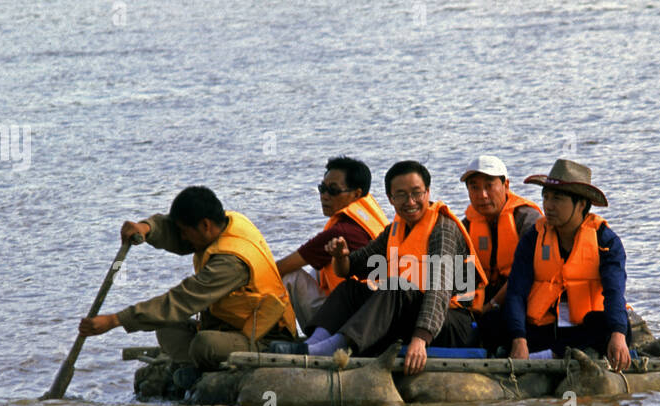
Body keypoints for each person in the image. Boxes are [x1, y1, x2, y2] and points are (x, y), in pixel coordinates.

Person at [284, 160, 487, 374]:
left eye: (417, 193)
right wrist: (341, 256)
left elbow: (439, 290)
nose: (410, 201)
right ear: (390, 199)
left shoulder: (443, 230)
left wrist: (420, 340)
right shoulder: (394, 229)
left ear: (427, 192)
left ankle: (336, 348)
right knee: (352, 289)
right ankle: (315, 343)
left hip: (453, 323)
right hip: (415, 315)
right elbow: (351, 267)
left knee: (395, 288)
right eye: (400, 195)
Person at [78, 185, 296, 377]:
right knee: (166, 328)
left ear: (205, 225)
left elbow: (182, 300)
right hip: (226, 327)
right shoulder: (224, 222)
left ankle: (204, 367)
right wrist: (146, 228)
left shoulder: (230, 264)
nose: (182, 238)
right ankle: (199, 367)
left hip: (263, 336)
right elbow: (173, 232)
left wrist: (116, 320)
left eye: (185, 232)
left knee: (205, 344)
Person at [500, 159, 632, 371]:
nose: (548, 206)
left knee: (610, 326)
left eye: (557, 199)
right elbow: (516, 291)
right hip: (545, 326)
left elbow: (614, 291)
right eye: (546, 197)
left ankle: (548, 355)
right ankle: (536, 350)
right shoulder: (534, 237)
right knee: (493, 321)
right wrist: (519, 338)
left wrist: (618, 334)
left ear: (581, 204)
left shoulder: (606, 241)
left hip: (585, 326)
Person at [274, 157, 389, 334]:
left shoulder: (342, 232)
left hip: (346, 318)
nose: (324, 196)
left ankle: (289, 334)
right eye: (322, 189)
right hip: (369, 308)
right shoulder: (365, 215)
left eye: (333, 191)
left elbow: (280, 268)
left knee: (291, 276)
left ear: (357, 194)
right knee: (317, 269)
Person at [459, 154, 542, 342]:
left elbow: (527, 272)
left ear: (506, 185)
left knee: (495, 319)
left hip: (521, 293)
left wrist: (492, 304)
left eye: (489, 186)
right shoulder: (466, 225)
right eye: (475, 187)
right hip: (486, 293)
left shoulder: (528, 219)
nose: (482, 195)